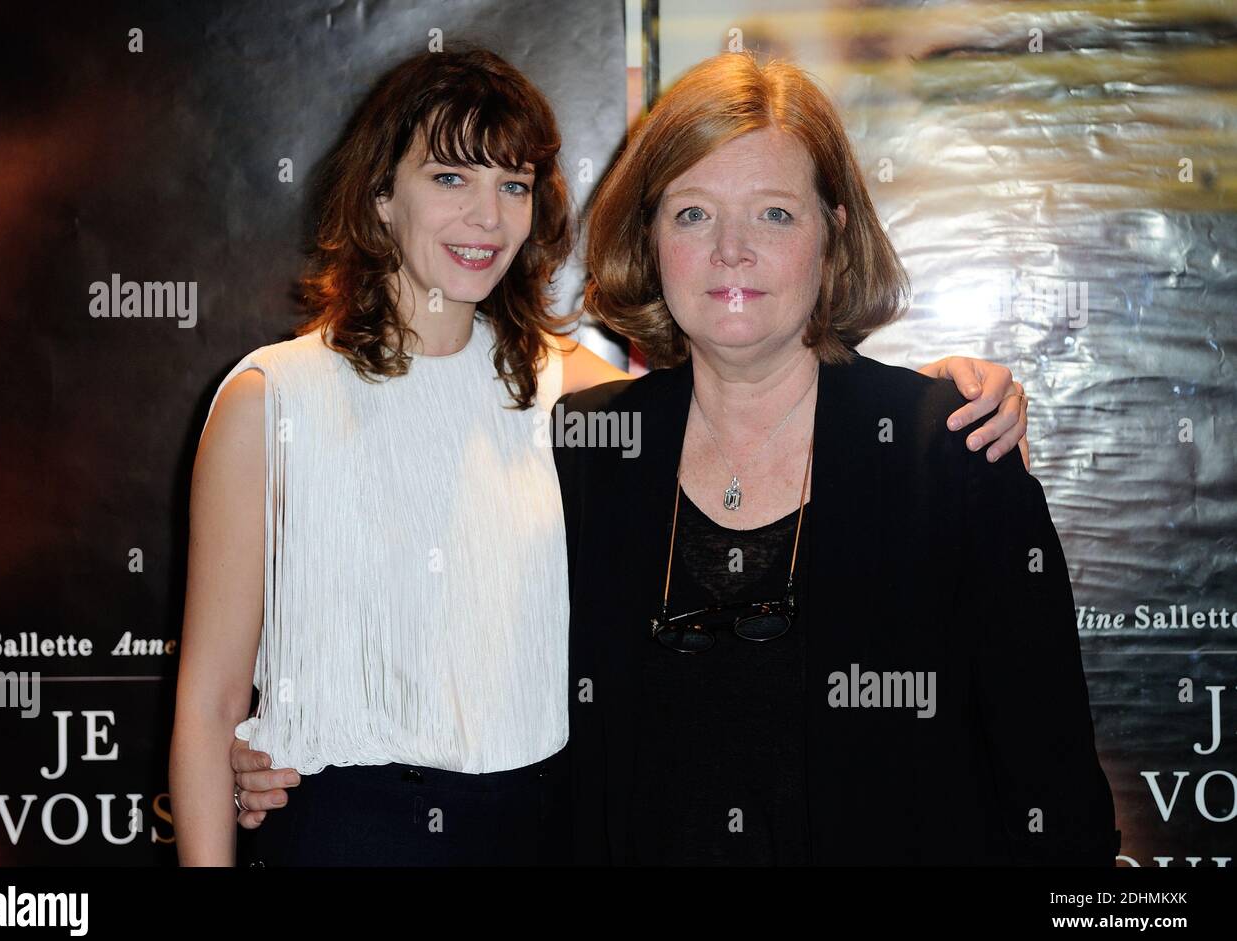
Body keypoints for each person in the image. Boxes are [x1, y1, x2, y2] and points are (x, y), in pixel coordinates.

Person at [183, 47, 1030, 865]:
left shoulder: (567, 394)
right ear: (377, 197)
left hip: (538, 829)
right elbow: (210, 706)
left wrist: (933, 399)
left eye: (512, 184)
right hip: (348, 835)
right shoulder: (272, 401)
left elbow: (747, 385)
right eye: (450, 177)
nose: (485, 217)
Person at [554, 52, 1119, 865]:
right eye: (692, 214)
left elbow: (1055, 794)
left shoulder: (952, 452)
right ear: (647, 236)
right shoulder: (585, 451)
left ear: (834, 233)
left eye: (775, 215)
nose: (731, 251)